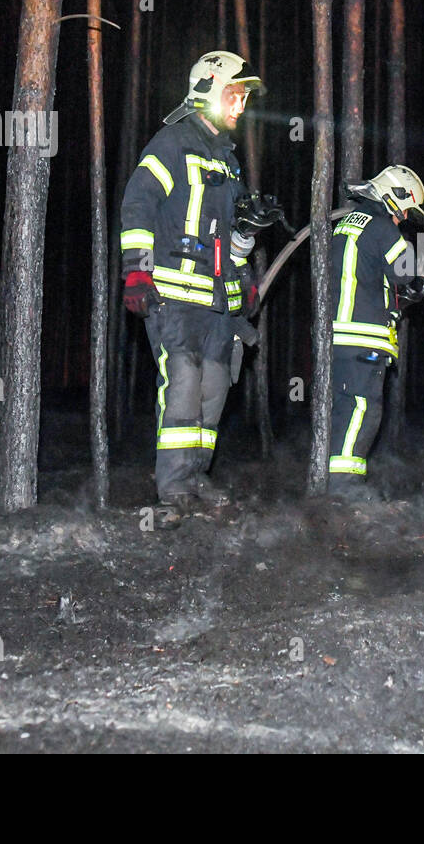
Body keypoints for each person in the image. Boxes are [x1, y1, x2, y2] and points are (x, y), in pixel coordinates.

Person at [119, 50, 282, 521]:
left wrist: (246, 244)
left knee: (213, 391)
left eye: (244, 97)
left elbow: (227, 244)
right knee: (184, 385)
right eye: (235, 94)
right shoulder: (171, 144)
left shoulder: (228, 164)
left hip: (218, 305)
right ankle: (172, 489)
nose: (241, 105)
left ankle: (196, 478)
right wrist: (137, 270)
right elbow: (138, 204)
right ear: (207, 89)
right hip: (174, 298)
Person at [327, 165, 424, 500]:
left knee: (349, 407)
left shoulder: (349, 222)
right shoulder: (381, 227)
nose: (403, 219)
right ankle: (344, 489)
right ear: (393, 195)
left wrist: (404, 293)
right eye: (405, 211)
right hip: (361, 335)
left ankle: (341, 485)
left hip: (342, 334)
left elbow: (370, 276)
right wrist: (423, 283)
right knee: (362, 408)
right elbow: (407, 270)